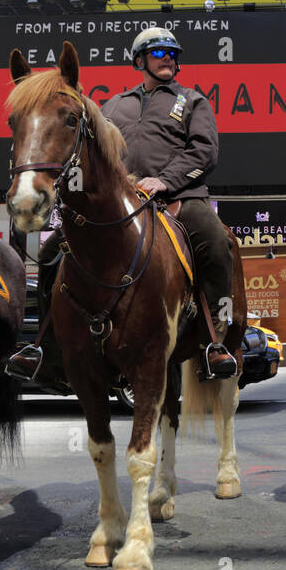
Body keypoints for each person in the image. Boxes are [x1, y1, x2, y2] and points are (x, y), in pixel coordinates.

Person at [103, 27, 237, 379]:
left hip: (179, 199)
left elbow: (205, 152)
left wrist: (165, 181)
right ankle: (46, 345)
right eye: (158, 52)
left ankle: (215, 340)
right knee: (60, 247)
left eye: (171, 53)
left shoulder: (193, 100)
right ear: (138, 61)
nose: (167, 58)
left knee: (218, 245)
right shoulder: (114, 105)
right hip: (122, 204)